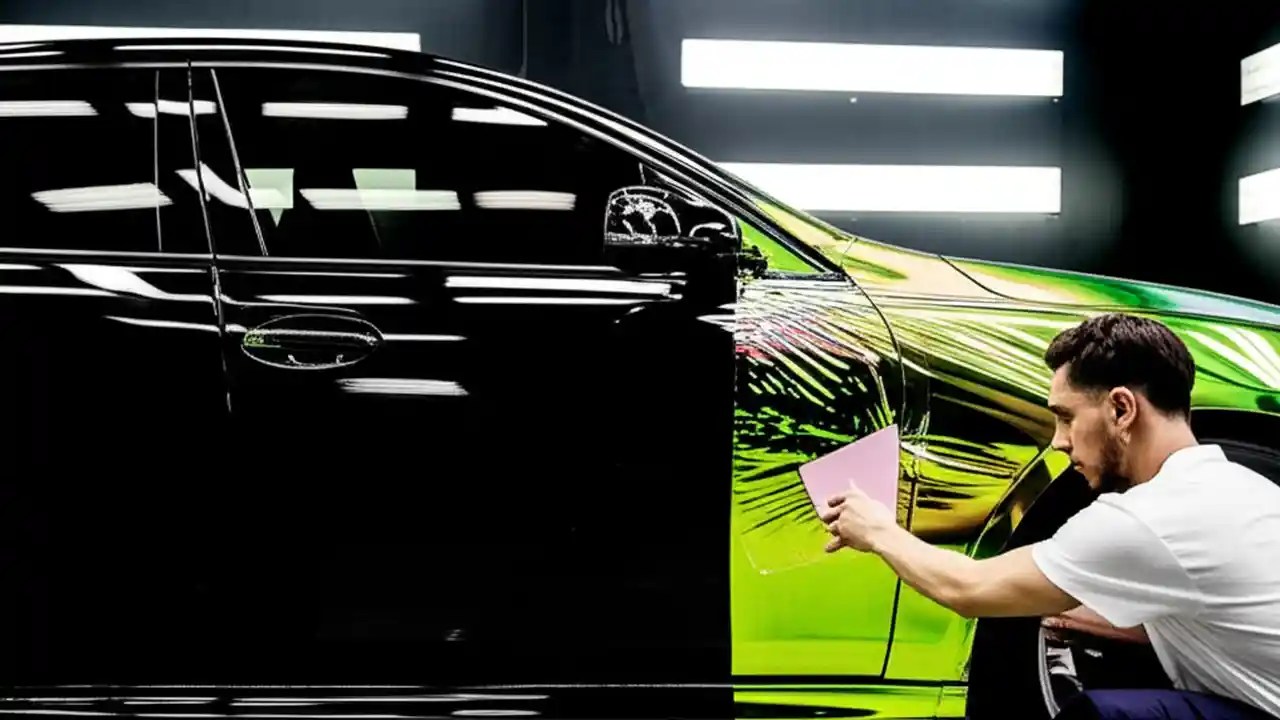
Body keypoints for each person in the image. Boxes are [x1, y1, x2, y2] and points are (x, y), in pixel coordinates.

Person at [821, 313, 1280, 720]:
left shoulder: (1145, 518)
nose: (1059, 441)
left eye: (1066, 418)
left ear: (1121, 409)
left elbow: (968, 588)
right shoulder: (1243, 490)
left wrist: (878, 529)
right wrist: (1136, 621)